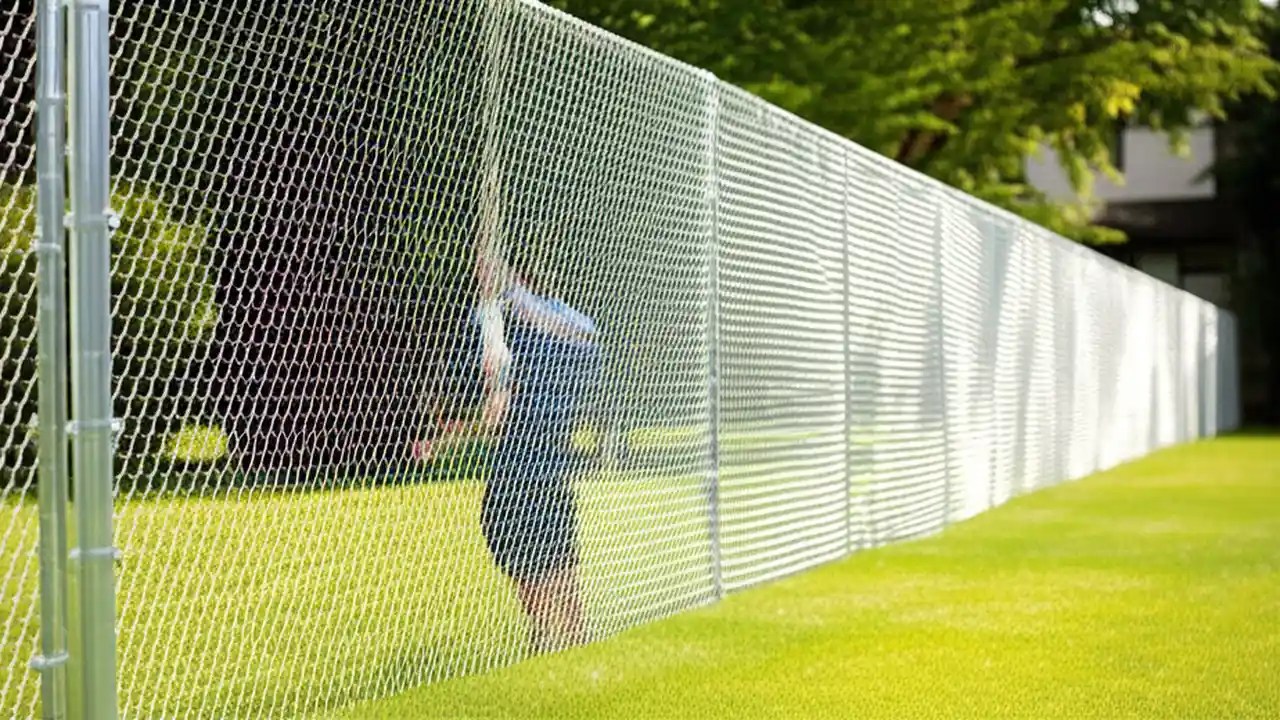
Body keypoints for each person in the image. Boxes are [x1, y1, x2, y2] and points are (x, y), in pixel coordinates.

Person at [469, 251, 602, 654]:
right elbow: (495, 383)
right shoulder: (497, 322)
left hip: (536, 455)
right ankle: (551, 632)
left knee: (543, 542)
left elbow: (578, 333)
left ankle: (565, 633)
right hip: (530, 456)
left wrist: (512, 292)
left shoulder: (558, 322)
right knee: (527, 539)